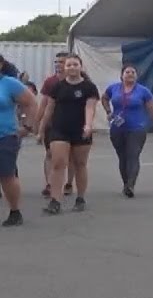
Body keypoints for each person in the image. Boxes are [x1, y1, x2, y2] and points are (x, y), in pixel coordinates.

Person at [36, 54, 98, 215]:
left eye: (75, 64)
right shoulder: (57, 87)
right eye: (68, 65)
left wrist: (88, 125)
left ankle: (81, 198)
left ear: (80, 67)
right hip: (59, 129)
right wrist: (41, 129)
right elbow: (49, 109)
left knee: (80, 164)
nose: (71, 67)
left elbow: (90, 108)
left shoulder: (89, 87)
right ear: (64, 68)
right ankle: (55, 200)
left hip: (80, 130)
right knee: (58, 163)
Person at [102, 65, 153, 197]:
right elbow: (104, 98)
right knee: (122, 157)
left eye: (133, 72)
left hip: (137, 128)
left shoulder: (143, 91)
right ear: (122, 75)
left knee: (133, 155)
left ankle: (131, 185)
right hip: (117, 128)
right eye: (127, 72)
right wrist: (108, 111)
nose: (130, 74)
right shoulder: (113, 88)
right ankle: (125, 183)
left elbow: (151, 109)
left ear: (136, 75)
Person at [0, 72, 39, 226]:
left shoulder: (9, 83)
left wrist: (27, 126)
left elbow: (31, 103)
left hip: (5, 137)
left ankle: (15, 212)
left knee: (6, 175)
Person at [37, 53, 71, 200]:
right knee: (50, 154)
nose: (58, 65)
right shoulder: (50, 82)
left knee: (71, 157)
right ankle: (50, 184)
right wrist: (38, 124)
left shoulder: (80, 81)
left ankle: (69, 183)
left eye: (61, 62)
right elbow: (43, 104)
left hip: (72, 124)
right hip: (53, 124)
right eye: (56, 62)